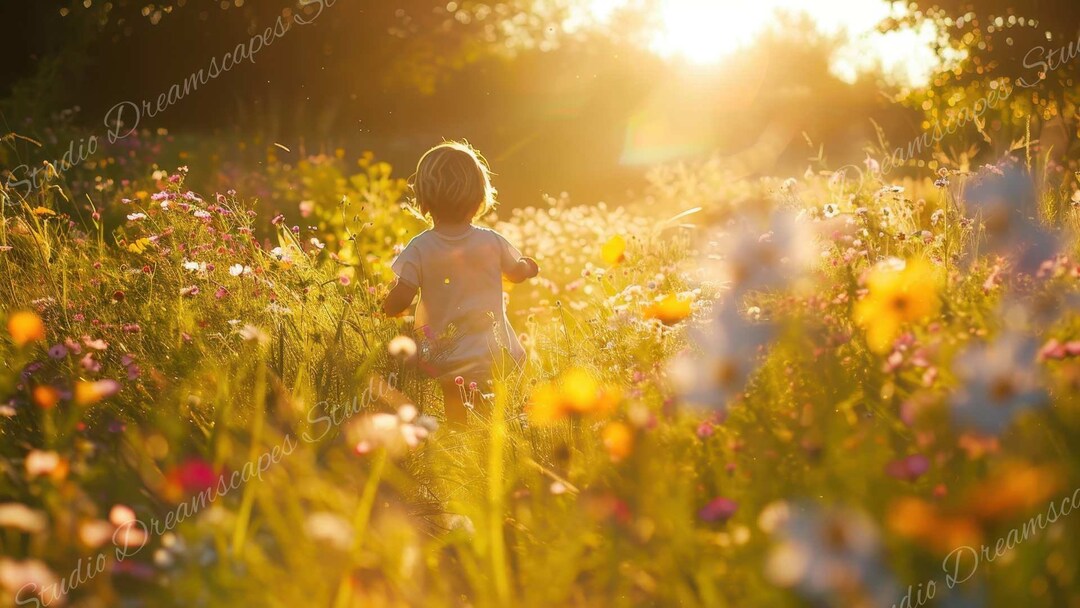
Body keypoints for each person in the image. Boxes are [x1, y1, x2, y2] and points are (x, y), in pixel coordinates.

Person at [382, 141, 539, 425]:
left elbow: (401, 298)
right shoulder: (491, 241)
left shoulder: (420, 247)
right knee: (485, 404)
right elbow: (516, 273)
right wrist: (528, 266)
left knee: (454, 402)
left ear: (424, 199)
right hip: (489, 347)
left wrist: (386, 305)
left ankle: (459, 438)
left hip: (444, 350)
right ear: (480, 197)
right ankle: (486, 448)